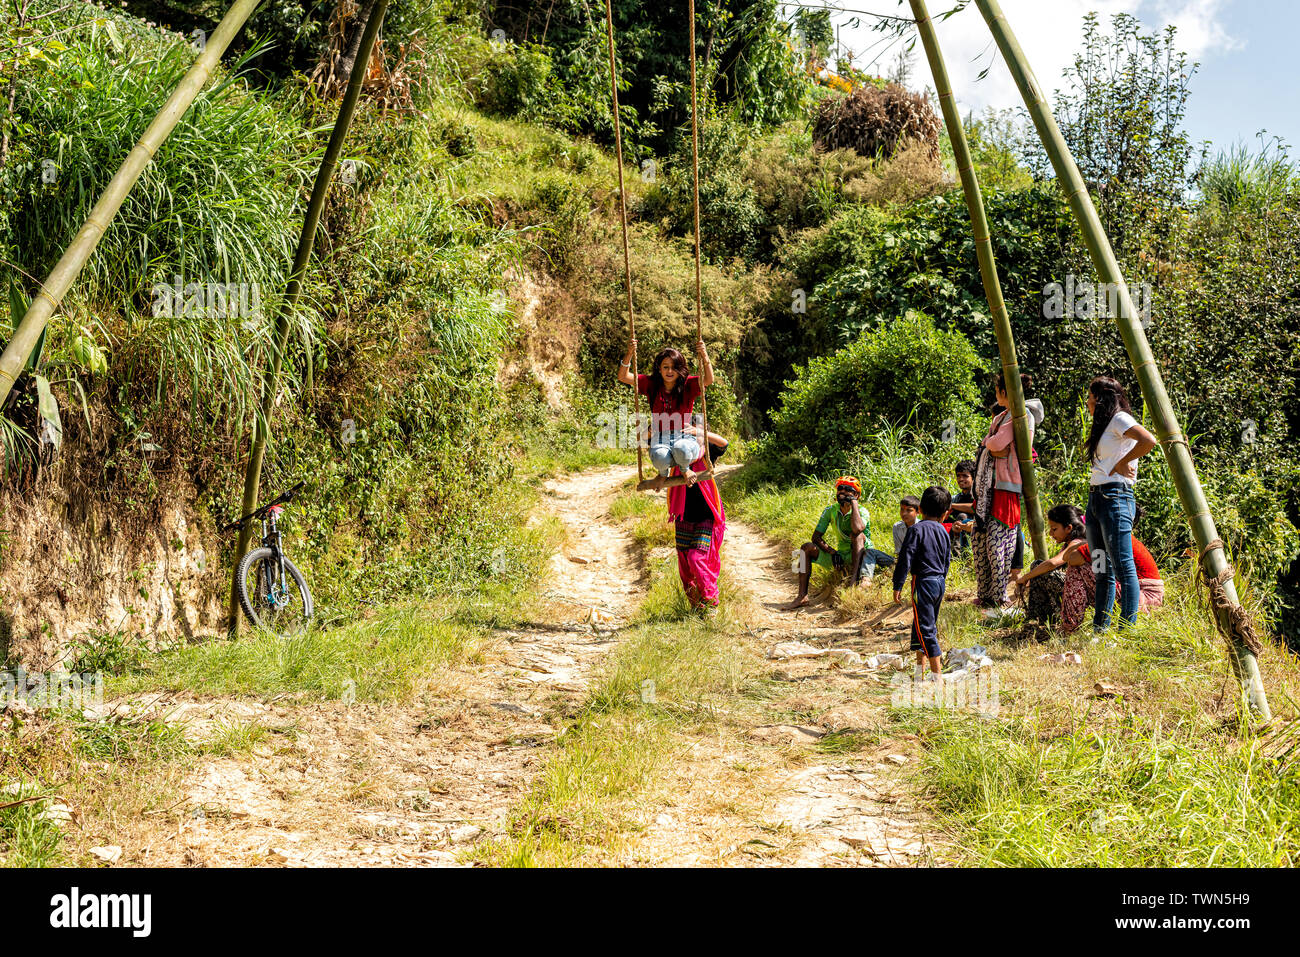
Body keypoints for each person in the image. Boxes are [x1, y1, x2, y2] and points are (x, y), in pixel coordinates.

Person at [1084, 376, 1157, 633]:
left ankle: (1127, 630)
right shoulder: (1104, 425)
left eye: (1090, 396)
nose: (1087, 402)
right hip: (1096, 501)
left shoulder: (1120, 418)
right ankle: (1100, 630)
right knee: (1101, 566)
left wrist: (1124, 461)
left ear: (1100, 398)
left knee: (1123, 567)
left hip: (1115, 499)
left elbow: (1148, 440)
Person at [972, 373, 1044, 613]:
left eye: (997, 389)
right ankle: (985, 594)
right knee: (981, 540)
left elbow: (995, 443)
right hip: (989, 487)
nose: (995, 393)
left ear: (1005, 391)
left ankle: (1000, 594)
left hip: (1006, 486)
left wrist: (991, 444)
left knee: (998, 544)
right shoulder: (1003, 415)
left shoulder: (1020, 416)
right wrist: (991, 445)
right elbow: (990, 444)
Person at [617, 338, 714, 489]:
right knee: (660, 457)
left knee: (681, 447)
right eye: (665, 367)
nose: (670, 371)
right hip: (660, 438)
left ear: (680, 369)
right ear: (659, 369)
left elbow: (708, 379)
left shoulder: (688, 384)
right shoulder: (651, 384)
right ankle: (663, 474)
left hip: (684, 437)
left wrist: (705, 355)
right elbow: (623, 376)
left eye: (674, 367)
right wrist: (629, 353)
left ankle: (684, 469)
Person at [893, 486, 953, 682]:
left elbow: (905, 558)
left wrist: (898, 584)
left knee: (925, 630)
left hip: (922, 582)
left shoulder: (916, 530)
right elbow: (947, 560)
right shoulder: (943, 531)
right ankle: (920, 672)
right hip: (939, 582)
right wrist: (941, 579)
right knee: (922, 625)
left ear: (920, 509)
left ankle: (937, 678)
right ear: (945, 513)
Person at [670, 425, 727, 614]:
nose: (693, 441)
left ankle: (711, 602)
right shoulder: (676, 453)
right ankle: (696, 606)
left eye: (696, 436)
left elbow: (724, 443)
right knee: (685, 563)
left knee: (697, 558)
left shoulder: (706, 453)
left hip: (706, 515)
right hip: (684, 515)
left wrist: (700, 433)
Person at [1014, 504, 1097, 635]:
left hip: (1087, 591)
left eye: (1054, 529)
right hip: (1085, 589)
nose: (1051, 534)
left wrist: (1024, 577)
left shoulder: (1077, 542)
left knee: (1038, 567)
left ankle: (1042, 617)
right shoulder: (1071, 542)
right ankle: (1045, 618)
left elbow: (1051, 564)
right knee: (1038, 569)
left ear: (1069, 528)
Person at [792, 477, 869, 607]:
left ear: (856, 495)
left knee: (857, 536)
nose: (842, 492)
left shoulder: (862, 511)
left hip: (862, 555)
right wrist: (832, 553)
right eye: (840, 488)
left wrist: (854, 504)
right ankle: (802, 596)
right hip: (841, 555)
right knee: (806, 548)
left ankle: (853, 583)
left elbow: (857, 529)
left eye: (848, 490)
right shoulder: (830, 510)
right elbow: (816, 537)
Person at [947, 460, 977, 554]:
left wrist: (952, 505)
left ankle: (960, 554)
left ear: (973, 477)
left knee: (962, 517)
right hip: (955, 531)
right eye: (958, 476)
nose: (961, 479)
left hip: (974, 530)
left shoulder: (978, 495)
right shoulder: (957, 498)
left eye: (965, 476)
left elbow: (974, 508)